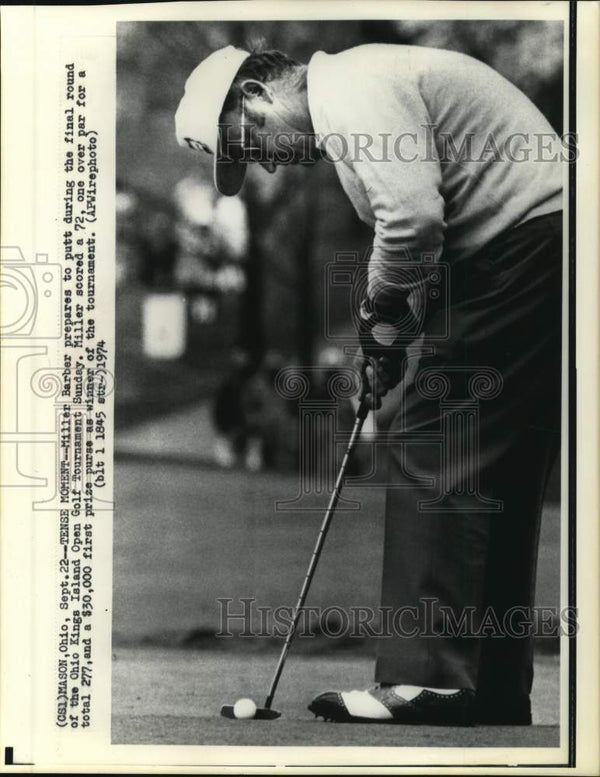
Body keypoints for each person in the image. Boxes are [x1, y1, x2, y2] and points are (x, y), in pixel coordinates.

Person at [175, 43, 563, 725]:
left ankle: (427, 678)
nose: (267, 163)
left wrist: (375, 315)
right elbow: (423, 258)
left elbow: (412, 222)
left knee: (434, 438)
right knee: (493, 467)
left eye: (248, 145)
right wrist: (387, 343)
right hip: (535, 244)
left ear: (256, 95)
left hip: (526, 241)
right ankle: (490, 685)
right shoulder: (350, 121)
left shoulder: (352, 89)